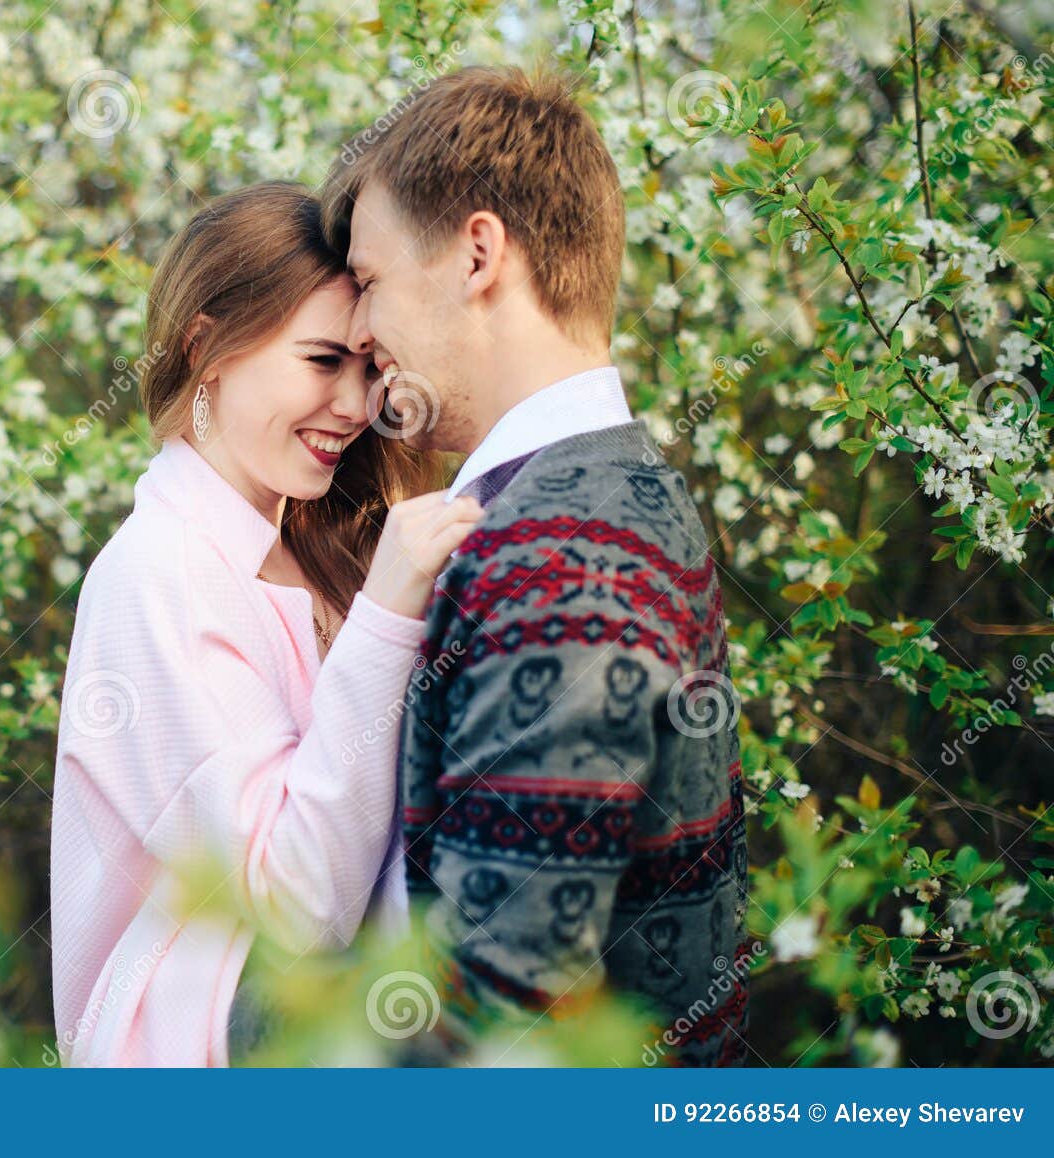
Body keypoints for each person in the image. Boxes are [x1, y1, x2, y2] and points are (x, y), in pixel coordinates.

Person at [320, 65, 750, 1065]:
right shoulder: (605, 492)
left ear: (477, 253)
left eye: (370, 281)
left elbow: (494, 1015)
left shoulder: (557, 559)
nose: (355, 330)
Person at [49, 181, 481, 1066]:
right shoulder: (156, 575)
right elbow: (294, 906)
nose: (357, 407)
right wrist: (388, 614)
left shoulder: (303, 543)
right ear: (209, 347)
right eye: (323, 362)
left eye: (368, 368)